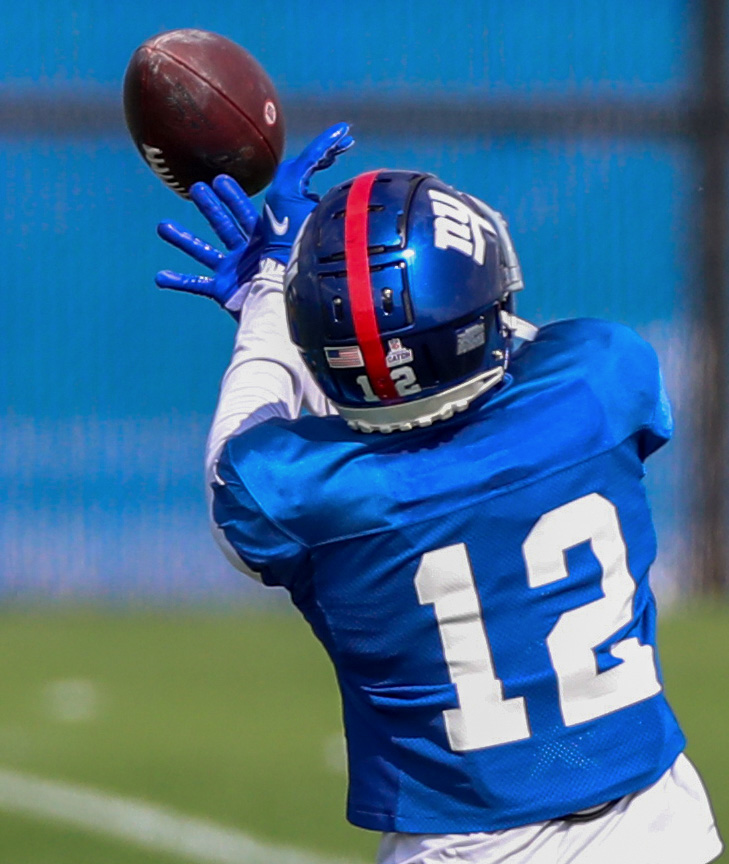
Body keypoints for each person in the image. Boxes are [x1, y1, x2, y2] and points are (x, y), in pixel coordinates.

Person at [156, 124, 723, 864]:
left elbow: (239, 462)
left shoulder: (311, 495)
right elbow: (504, 362)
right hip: (658, 833)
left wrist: (274, 299)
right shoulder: (600, 378)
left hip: (463, 849)